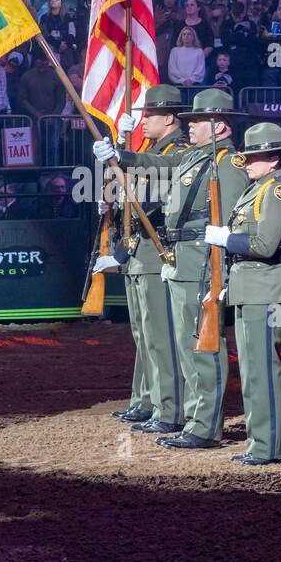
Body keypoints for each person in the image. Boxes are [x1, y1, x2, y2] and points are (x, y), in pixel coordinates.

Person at [94, 89, 250, 451]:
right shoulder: (194, 157)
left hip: (202, 256)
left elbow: (224, 218)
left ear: (221, 126)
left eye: (197, 121)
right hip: (182, 255)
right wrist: (120, 152)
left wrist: (219, 259)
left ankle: (205, 425)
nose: (189, 125)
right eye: (190, 120)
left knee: (202, 343)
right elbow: (157, 166)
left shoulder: (228, 162)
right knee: (184, 343)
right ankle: (193, 418)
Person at [202, 122, 281, 465]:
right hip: (251, 288)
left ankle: (269, 448)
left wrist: (225, 239)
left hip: (269, 286)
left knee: (262, 368)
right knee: (251, 371)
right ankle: (258, 443)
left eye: (255, 156)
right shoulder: (255, 190)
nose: (246, 162)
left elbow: (264, 246)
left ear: (274, 159)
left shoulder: (276, 192)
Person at [93, 85, 190, 431]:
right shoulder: (150, 149)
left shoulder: (178, 152)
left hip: (156, 250)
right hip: (138, 250)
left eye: (148, 115)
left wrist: (122, 154)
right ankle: (146, 399)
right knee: (144, 333)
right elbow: (125, 194)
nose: (141, 120)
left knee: (160, 335)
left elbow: (150, 203)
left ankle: (169, 409)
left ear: (169, 118)